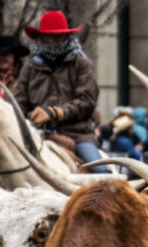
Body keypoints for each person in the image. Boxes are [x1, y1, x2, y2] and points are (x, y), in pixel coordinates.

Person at [14, 10, 106, 172]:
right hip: (36, 134)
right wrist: (30, 117)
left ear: (66, 36)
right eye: (49, 36)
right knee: (2, 176)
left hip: (77, 135)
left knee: (101, 174)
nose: (53, 41)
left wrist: (55, 112)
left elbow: (87, 101)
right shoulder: (29, 68)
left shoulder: (82, 64)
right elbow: (19, 104)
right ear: (41, 38)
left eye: (58, 36)